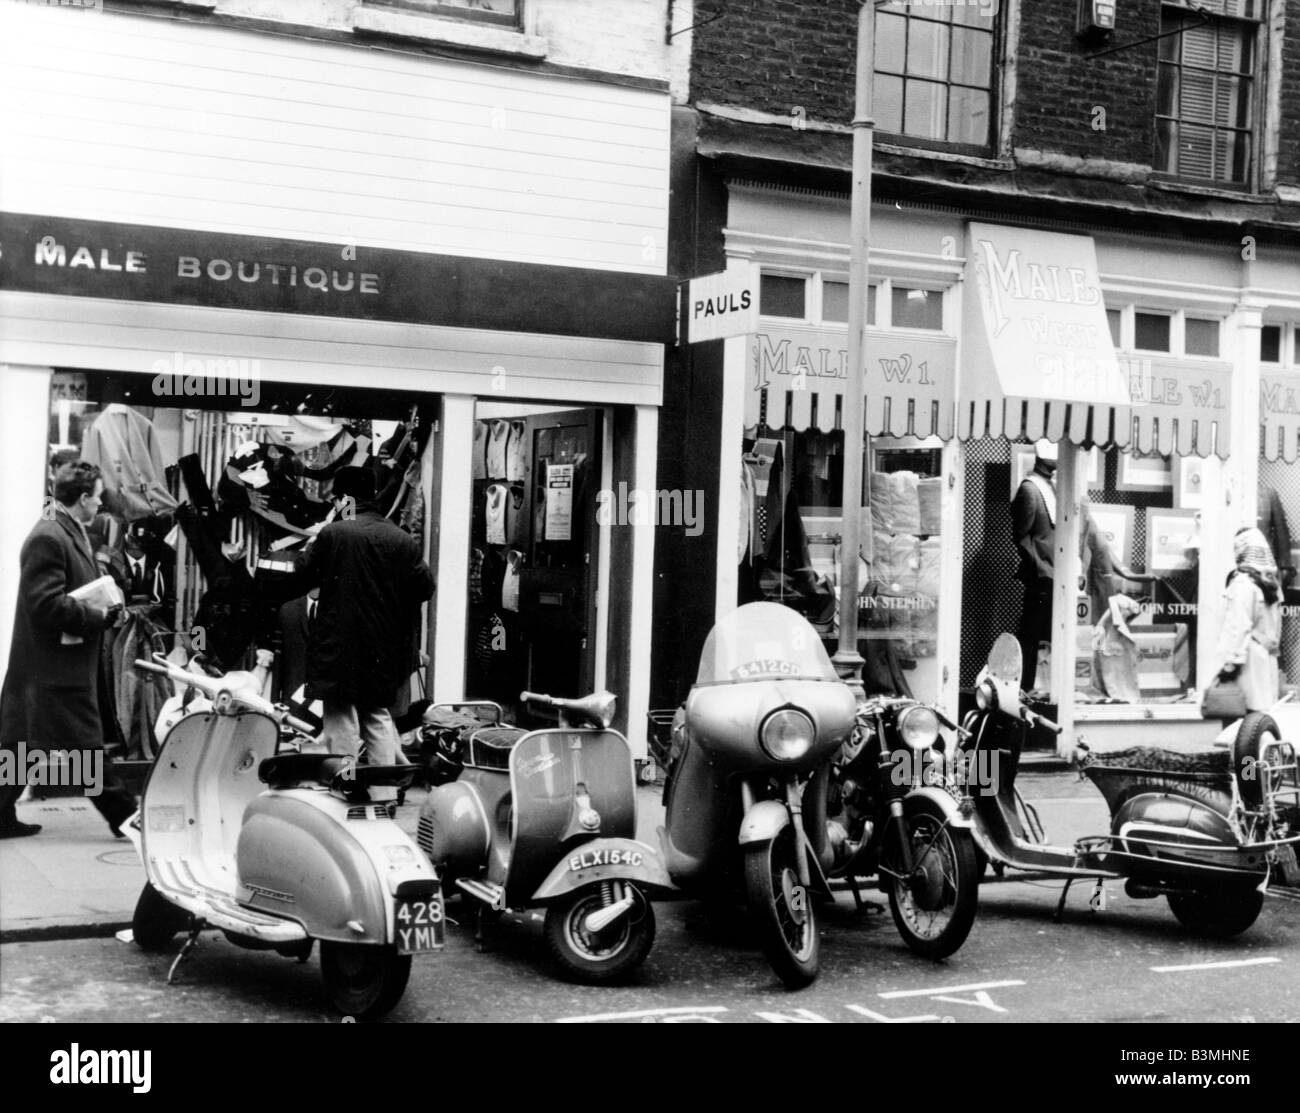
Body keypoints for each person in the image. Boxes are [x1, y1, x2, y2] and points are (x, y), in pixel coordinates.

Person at [0, 462, 138, 839]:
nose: (99, 504)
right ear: (81, 499)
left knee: (20, 746)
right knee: (86, 750)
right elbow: (44, 604)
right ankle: (126, 816)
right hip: (54, 670)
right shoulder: (49, 536)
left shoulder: (62, 529)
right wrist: (97, 616)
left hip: (44, 668)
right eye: (96, 497)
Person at [289, 467, 434, 800]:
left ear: (344, 499)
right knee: (377, 718)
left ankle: (349, 788)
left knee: (340, 720)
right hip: (382, 647)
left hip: (338, 647)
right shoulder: (400, 538)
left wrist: (311, 547)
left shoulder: (334, 533)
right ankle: (384, 794)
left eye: (337, 499)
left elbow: (303, 576)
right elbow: (424, 587)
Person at [1214, 527, 1282, 713]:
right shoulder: (1271, 585)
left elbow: (1238, 627)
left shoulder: (1242, 584)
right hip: (1266, 660)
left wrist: (1229, 665)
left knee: (1242, 725)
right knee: (1263, 718)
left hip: (1247, 663)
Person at [1011, 441, 1057, 692]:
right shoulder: (1029, 490)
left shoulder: (1052, 487)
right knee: (1030, 636)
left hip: (1055, 575)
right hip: (1042, 576)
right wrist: (1038, 567)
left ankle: (1046, 687)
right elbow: (1021, 536)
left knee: (1049, 635)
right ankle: (1025, 688)